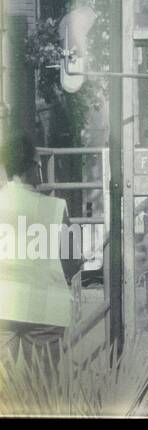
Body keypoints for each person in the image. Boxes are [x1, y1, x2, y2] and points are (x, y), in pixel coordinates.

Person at [0, 133, 77, 369]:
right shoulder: (55, 208)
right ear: (34, 167)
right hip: (46, 311)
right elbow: (71, 261)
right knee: (43, 389)